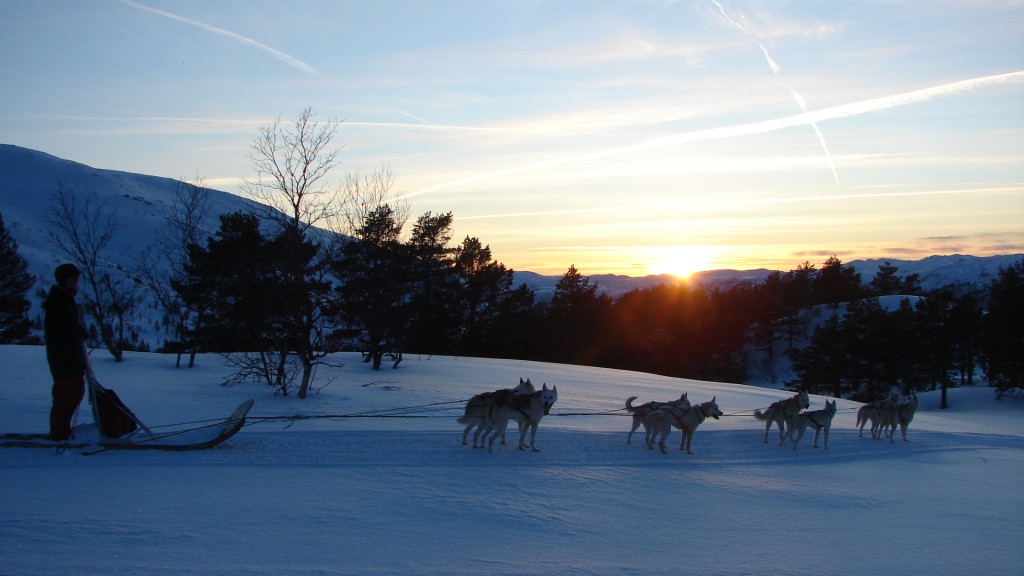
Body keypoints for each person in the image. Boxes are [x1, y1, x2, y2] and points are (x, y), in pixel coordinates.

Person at [43, 263, 90, 441]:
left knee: (76, 392)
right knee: (66, 397)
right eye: (73, 279)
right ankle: (59, 433)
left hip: (71, 357)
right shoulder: (59, 301)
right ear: (65, 280)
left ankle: (62, 430)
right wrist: (78, 331)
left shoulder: (65, 299)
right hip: (63, 358)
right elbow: (62, 329)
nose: (77, 282)